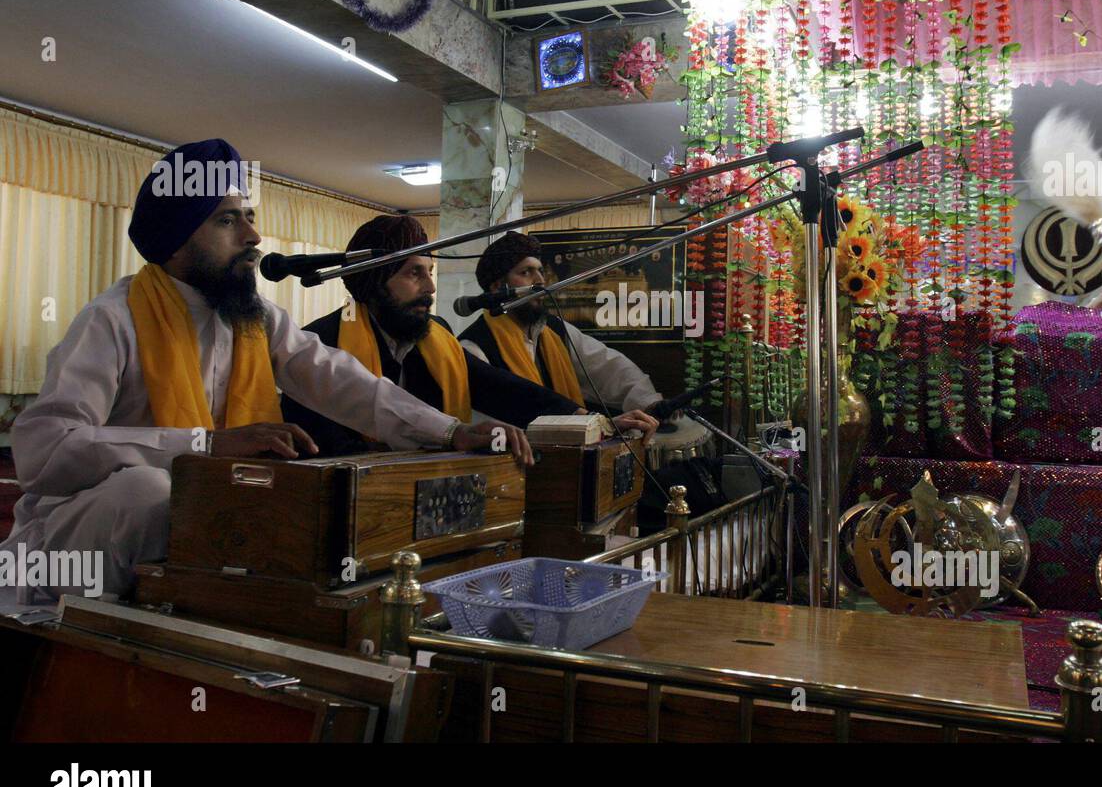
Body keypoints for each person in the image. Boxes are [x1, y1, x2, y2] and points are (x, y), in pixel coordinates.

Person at [3, 139, 527, 603]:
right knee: (149, 490)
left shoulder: (253, 319)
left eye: (249, 216)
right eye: (227, 219)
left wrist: (452, 431)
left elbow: (346, 383)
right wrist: (203, 447)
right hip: (69, 550)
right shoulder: (112, 320)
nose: (253, 235)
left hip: (204, 532)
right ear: (178, 234)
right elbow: (44, 453)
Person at [281, 214, 592, 456]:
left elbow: (495, 386)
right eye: (414, 273)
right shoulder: (320, 343)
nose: (430, 288)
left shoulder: (435, 333)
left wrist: (579, 417)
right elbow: (322, 449)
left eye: (429, 272)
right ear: (374, 281)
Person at [459, 231, 665, 422]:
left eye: (540, 271)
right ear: (497, 287)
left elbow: (609, 367)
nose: (540, 280)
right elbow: (500, 411)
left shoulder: (554, 330)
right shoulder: (475, 346)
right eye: (526, 272)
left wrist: (649, 403)